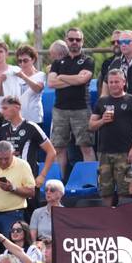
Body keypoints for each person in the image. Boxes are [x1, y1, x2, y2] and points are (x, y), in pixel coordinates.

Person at [47, 28, 95, 165]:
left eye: (78, 39)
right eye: (71, 39)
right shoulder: (58, 62)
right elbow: (51, 83)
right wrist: (74, 80)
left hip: (81, 109)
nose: (74, 42)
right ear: (66, 40)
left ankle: (88, 178)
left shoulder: (88, 61)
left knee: (86, 147)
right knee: (58, 148)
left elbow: (82, 80)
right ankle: (60, 178)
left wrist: (61, 77)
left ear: (82, 41)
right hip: (60, 109)